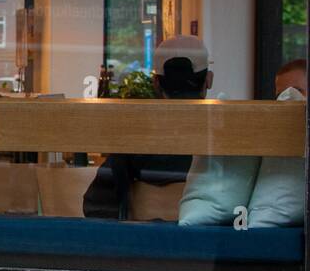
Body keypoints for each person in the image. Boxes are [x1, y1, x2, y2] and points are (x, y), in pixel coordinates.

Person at [83, 35, 214, 220]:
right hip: (210, 243)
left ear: (156, 83)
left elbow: (95, 205)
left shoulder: (135, 141)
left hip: (144, 242)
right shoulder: (221, 139)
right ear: (208, 80)